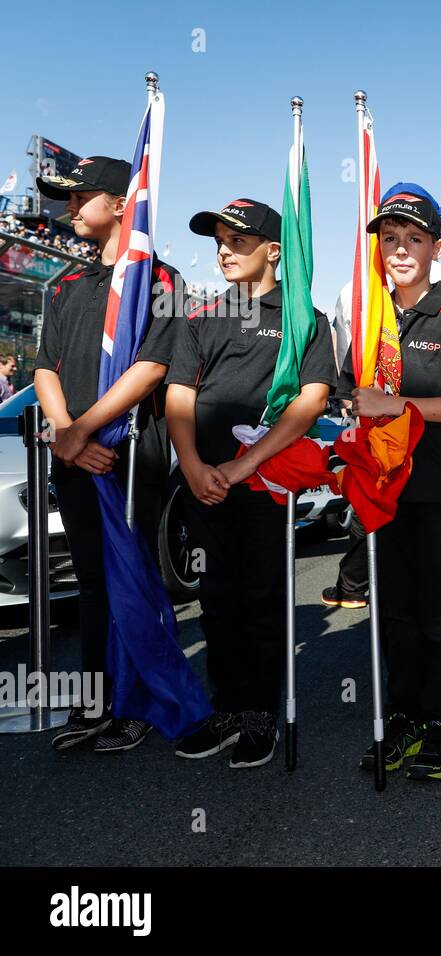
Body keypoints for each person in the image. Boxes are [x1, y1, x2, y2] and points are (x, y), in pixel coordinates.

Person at [167, 198, 334, 769]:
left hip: (265, 484)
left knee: (263, 595)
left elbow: (310, 402)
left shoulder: (303, 319)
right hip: (203, 481)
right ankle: (229, 706)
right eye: (219, 239)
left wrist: (243, 466)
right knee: (216, 598)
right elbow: (179, 397)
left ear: (274, 250)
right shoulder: (197, 316)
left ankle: (261, 710)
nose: (224, 250)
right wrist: (190, 464)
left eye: (238, 240)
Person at [337, 186, 441, 781]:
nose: (400, 249)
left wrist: (396, 403)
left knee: (440, 611)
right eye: (390, 238)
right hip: (380, 485)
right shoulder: (369, 315)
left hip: (440, 485)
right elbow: (346, 392)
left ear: (436, 247)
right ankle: (401, 715)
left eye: (415, 239)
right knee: (394, 610)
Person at [34, 156, 185, 754]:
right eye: (65, 198)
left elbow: (151, 366)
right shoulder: (64, 284)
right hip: (75, 454)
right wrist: (68, 432)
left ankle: (141, 701)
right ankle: (96, 704)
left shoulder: (160, 279)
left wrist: (86, 432)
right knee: (95, 583)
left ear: (123, 203)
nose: (69, 207)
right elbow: (46, 366)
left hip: (128, 456)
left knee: (135, 578)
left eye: (81, 196)